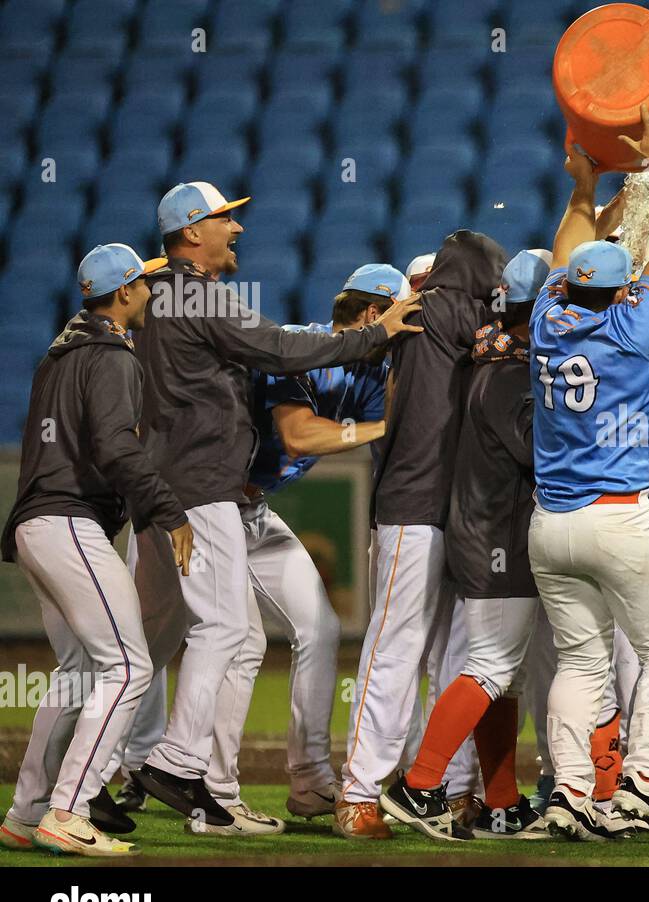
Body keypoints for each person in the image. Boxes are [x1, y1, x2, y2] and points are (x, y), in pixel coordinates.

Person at [127, 182, 420, 833]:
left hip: (232, 504)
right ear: (192, 230)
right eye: (225, 220)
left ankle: (267, 784)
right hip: (201, 495)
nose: (237, 229)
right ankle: (151, 769)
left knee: (300, 628)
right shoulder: (217, 304)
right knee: (168, 640)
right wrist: (376, 413)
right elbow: (293, 415)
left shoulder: (175, 297)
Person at [527, 101, 649, 842]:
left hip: (550, 524)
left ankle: (569, 792)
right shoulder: (630, 330)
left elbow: (570, 251)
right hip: (616, 514)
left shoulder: (543, 314)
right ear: (622, 290)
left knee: (581, 661)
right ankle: (644, 783)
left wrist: (583, 187)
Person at [0, 244, 192, 857]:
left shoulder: (60, 354)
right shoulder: (110, 356)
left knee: (81, 672)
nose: (152, 291)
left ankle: (26, 812)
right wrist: (165, 508)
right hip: (67, 521)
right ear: (126, 292)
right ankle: (69, 810)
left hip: (37, 524)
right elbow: (115, 445)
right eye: (145, 283)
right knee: (130, 666)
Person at [338, 228, 506, 840]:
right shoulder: (457, 317)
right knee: (408, 652)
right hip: (433, 509)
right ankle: (365, 791)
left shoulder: (412, 316)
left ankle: (439, 789)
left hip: (430, 509)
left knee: (435, 655)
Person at [395, 249, 554, 841]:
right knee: (489, 666)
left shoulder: (495, 356)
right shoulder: (514, 373)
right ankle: (421, 785)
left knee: (503, 675)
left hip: (486, 532)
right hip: (498, 538)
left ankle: (503, 801)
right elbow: (544, 455)